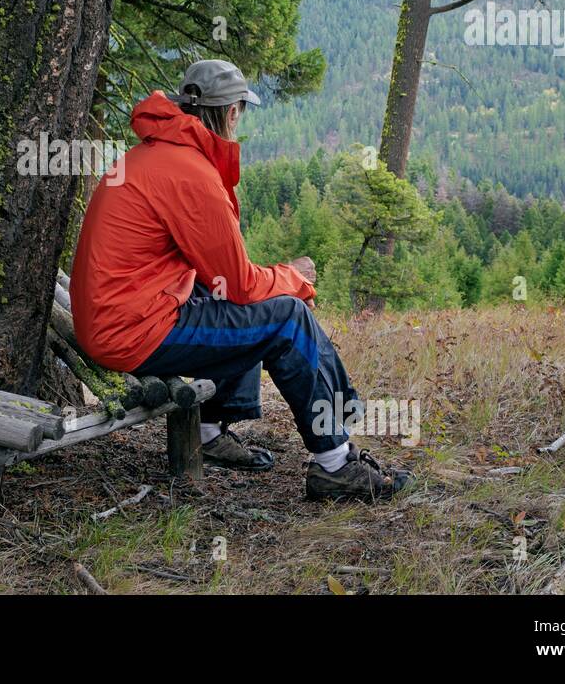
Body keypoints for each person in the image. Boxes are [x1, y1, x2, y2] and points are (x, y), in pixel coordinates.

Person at [70, 59, 412, 501]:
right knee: (285, 316)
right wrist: (295, 279)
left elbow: (225, 280)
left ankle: (211, 430)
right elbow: (240, 284)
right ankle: (335, 464)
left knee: (260, 306)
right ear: (232, 113)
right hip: (130, 330)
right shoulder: (189, 172)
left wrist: (277, 282)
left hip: (117, 315)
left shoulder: (155, 155)